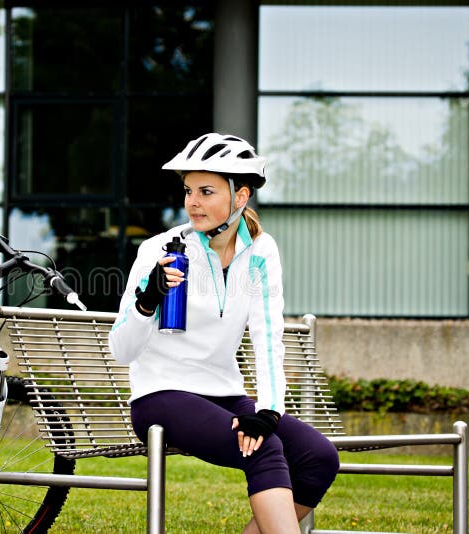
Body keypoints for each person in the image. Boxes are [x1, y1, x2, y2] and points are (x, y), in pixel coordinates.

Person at [109, 133, 339, 533]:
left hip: (225, 394)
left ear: (240, 196)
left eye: (206, 191)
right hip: (160, 395)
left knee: (319, 456)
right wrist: (149, 299)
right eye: (188, 190)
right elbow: (121, 350)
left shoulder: (262, 252)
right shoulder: (160, 249)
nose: (192, 202)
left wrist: (268, 410)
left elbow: (268, 337)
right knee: (264, 450)